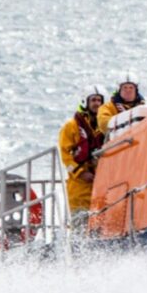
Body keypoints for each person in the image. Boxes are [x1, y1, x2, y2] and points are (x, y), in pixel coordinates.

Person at [58, 89, 106, 219]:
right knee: (80, 222)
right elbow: (65, 156)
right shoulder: (71, 127)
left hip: (101, 184)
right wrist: (81, 172)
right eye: (93, 100)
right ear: (86, 102)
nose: (97, 103)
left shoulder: (104, 127)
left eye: (99, 100)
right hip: (79, 186)